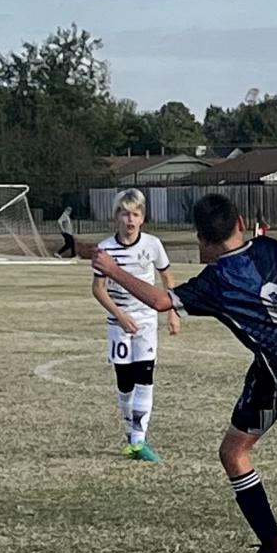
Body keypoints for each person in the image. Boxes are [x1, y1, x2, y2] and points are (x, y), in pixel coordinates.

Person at [92, 193, 277, 553]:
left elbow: (160, 301)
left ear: (202, 240)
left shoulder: (216, 279)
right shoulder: (269, 247)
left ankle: (275, 545)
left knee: (233, 454)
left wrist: (111, 268)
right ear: (240, 223)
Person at [91, 189, 179, 462]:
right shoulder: (105, 249)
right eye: (125, 213)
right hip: (118, 323)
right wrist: (120, 315)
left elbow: (167, 278)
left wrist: (173, 313)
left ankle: (139, 440)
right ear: (116, 216)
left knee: (145, 376)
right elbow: (98, 289)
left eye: (136, 214)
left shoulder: (153, 245)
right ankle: (131, 433)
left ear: (143, 218)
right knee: (125, 382)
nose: (130, 219)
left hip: (147, 320)